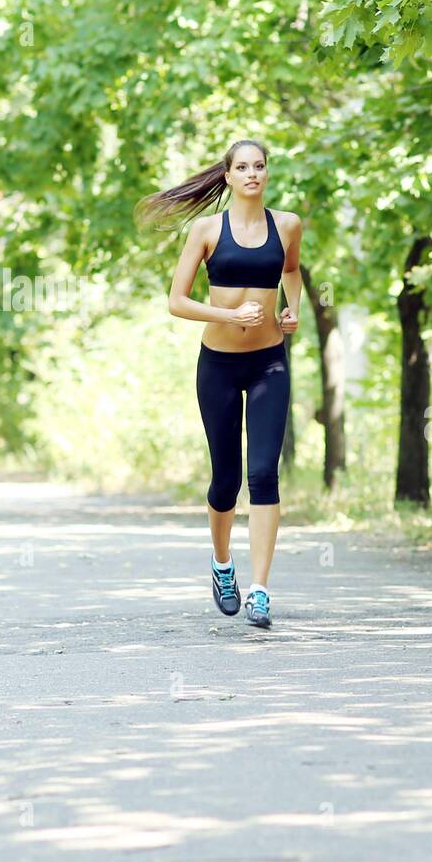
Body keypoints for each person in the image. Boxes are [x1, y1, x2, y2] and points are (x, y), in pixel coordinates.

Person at [136, 138, 302, 628]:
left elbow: (290, 272)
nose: (252, 173)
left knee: (265, 474)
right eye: (243, 167)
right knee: (226, 480)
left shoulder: (287, 224)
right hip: (219, 365)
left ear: (267, 173)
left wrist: (290, 310)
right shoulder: (207, 231)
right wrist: (227, 312)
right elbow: (177, 300)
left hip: (270, 361)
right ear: (227, 176)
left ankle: (260, 590)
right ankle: (223, 565)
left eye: (259, 166)